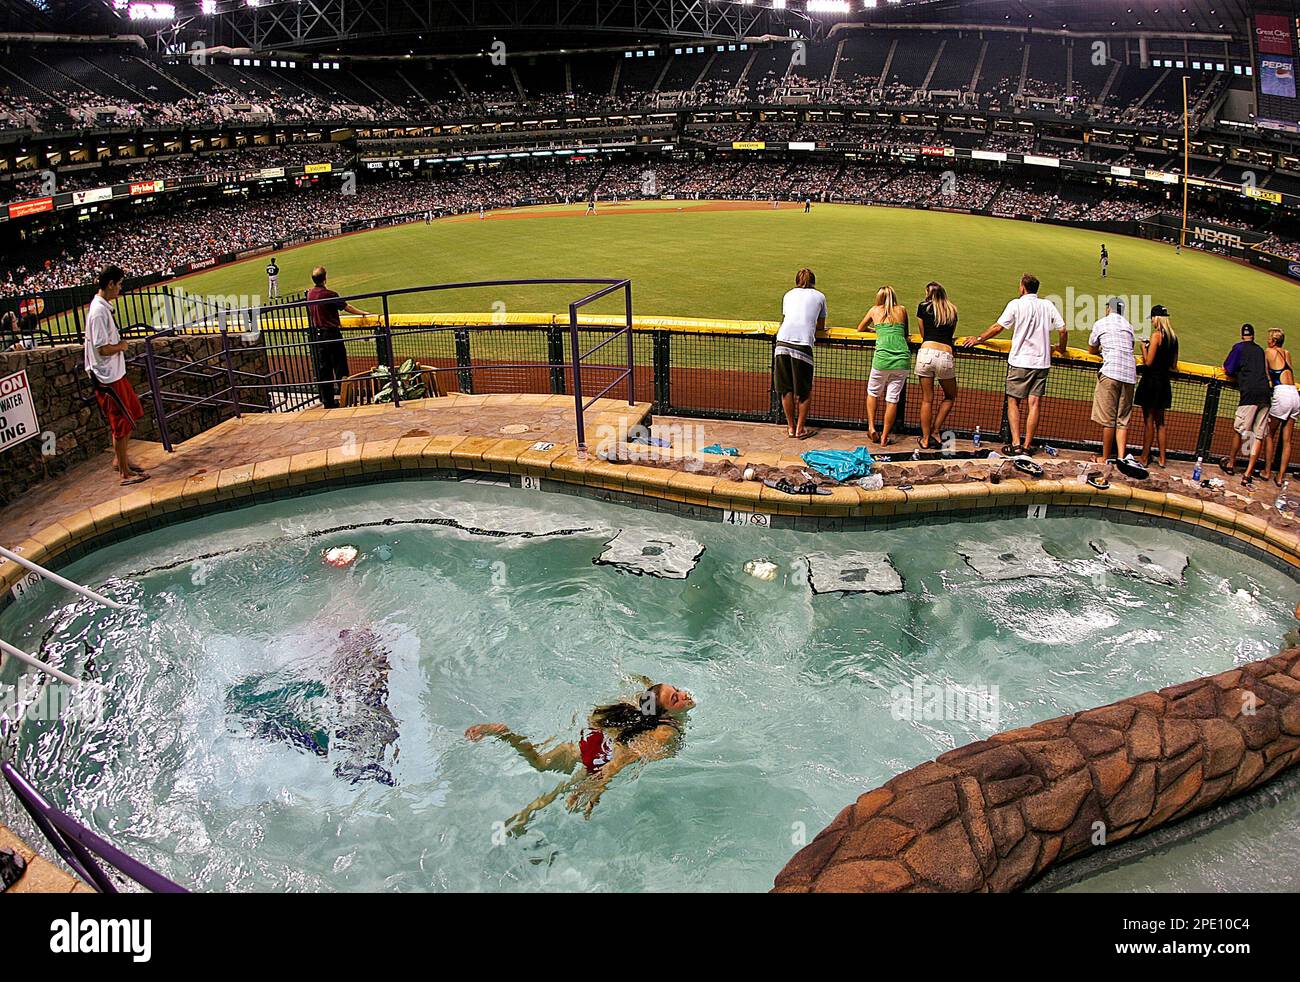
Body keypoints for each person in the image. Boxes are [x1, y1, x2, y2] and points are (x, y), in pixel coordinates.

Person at [465, 682, 695, 834]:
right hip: (603, 757)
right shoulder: (666, 732)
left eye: (678, 692)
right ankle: (520, 821)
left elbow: (644, 694)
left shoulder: (646, 705)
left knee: (540, 762)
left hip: (596, 739)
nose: (684, 694)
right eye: (675, 697)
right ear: (664, 713)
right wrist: (602, 782)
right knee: (562, 790)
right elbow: (628, 756)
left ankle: (506, 735)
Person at [961, 273, 1066, 456]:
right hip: (1041, 362)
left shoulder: (1016, 304)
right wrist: (1062, 348)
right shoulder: (1047, 305)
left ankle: (1016, 444)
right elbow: (1063, 330)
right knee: (1034, 404)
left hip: (1020, 361)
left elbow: (998, 327)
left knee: (1013, 402)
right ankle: (1026, 447)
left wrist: (979, 339)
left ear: (1023, 287)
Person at [84, 264, 147, 486]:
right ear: (110, 284)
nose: (120, 289)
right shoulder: (99, 312)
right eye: (119, 284)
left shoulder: (102, 308)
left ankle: (120, 459)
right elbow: (102, 348)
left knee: (131, 414)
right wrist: (122, 346)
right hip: (108, 378)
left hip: (114, 374)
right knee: (121, 423)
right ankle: (125, 473)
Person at [306, 266, 371, 410]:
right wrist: (363, 313)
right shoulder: (329, 294)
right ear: (325, 279)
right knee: (340, 367)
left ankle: (328, 402)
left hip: (319, 336)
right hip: (332, 334)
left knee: (325, 369)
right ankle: (345, 399)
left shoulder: (310, 294)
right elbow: (347, 307)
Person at [773, 267, 826, 440]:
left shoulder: (788, 294)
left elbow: (788, 316)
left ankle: (790, 427)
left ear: (796, 281)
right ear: (814, 281)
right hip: (802, 343)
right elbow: (821, 325)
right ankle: (800, 429)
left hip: (781, 341)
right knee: (804, 391)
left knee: (786, 389)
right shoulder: (819, 296)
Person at [857, 286, 911, 446]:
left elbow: (860, 328)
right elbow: (905, 333)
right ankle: (884, 437)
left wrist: (877, 331)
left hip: (882, 359)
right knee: (892, 399)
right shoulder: (902, 310)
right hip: (902, 359)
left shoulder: (874, 310)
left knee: (873, 392)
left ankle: (872, 427)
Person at [1088, 297, 1138, 462]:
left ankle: (1105, 457)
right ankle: (1122, 458)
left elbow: (1091, 348)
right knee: (1122, 420)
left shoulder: (1101, 323)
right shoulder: (1129, 326)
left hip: (1111, 372)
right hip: (1130, 375)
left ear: (1109, 308)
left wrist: (1103, 349)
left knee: (1109, 420)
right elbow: (1130, 347)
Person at [1250, 329, 1300, 487]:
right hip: (1295, 395)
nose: (1267, 340)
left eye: (1269, 338)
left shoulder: (1268, 352)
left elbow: (1266, 374)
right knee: (1287, 440)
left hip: (1282, 395)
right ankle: (1280, 477)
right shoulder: (1287, 353)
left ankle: (1266, 471)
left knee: (1269, 433)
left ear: (1273, 341)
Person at [1221, 323, 1270, 477]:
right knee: (1258, 435)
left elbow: (1228, 369)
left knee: (1239, 430)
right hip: (1265, 394)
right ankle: (1248, 472)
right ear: (1253, 336)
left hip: (1249, 395)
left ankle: (1231, 463)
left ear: (1242, 335)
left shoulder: (1239, 348)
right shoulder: (1260, 350)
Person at [914, 281, 959, 451]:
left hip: (926, 353)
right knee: (950, 396)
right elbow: (951, 334)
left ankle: (925, 439)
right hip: (945, 355)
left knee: (927, 399)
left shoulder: (923, 307)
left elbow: (923, 333)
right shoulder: (952, 309)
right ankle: (936, 430)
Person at [1133, 305, 1179, 468]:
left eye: (1152, 318)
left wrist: (1143, 349)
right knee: (1161, 423)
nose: (1152, 321)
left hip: (1151, 383)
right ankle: (1162, 459)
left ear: (1156, 318)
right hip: (1164, 384)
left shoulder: (1156, 336)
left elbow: (1149, 362)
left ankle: (1144, 457)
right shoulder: (1174, 338)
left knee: (1149, 422)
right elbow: (1173, 365)